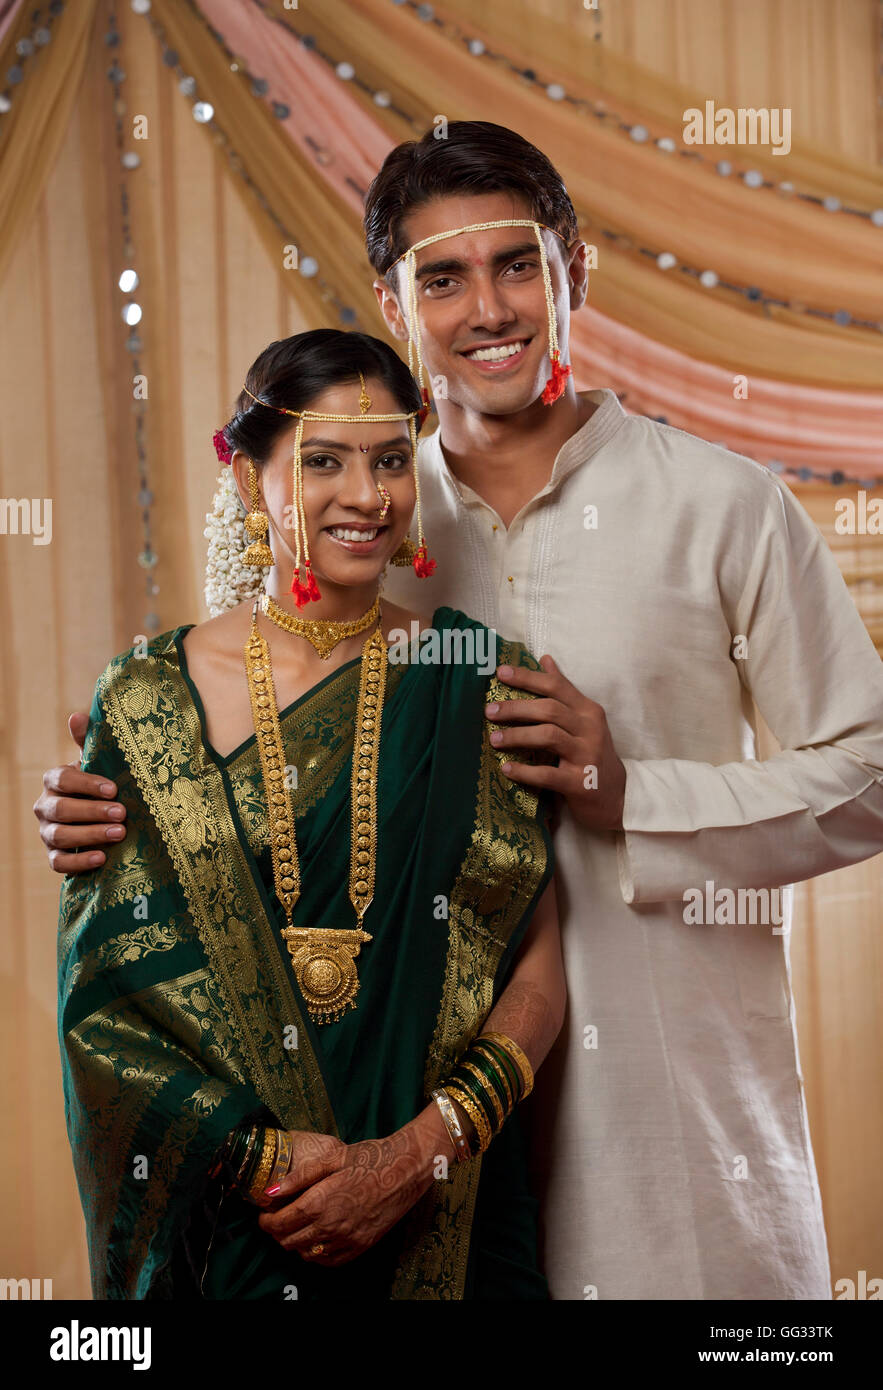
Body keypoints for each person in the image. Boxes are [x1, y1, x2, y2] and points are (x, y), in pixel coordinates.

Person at [38, 122, 883, 1300]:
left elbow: (871, 770)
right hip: (394, 1145)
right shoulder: (357, 500)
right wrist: (103, 799)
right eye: (442, 277)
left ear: (573, 271)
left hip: (665, 1125)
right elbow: (224, 741)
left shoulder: (721, 505)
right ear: (395, 304)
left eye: (517, 266)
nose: (487, 309)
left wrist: (633, 791)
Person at [55, 327, 565, 1300]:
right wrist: (260, 1164)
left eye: (388, 460)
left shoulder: (480, 681)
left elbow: (538, 962)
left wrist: (420, 1152)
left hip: (441, 1214)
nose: (367, 495)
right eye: (323, 460)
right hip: (238, 1224)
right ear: (251, 480)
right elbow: (104, 1002)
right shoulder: (146, 698)